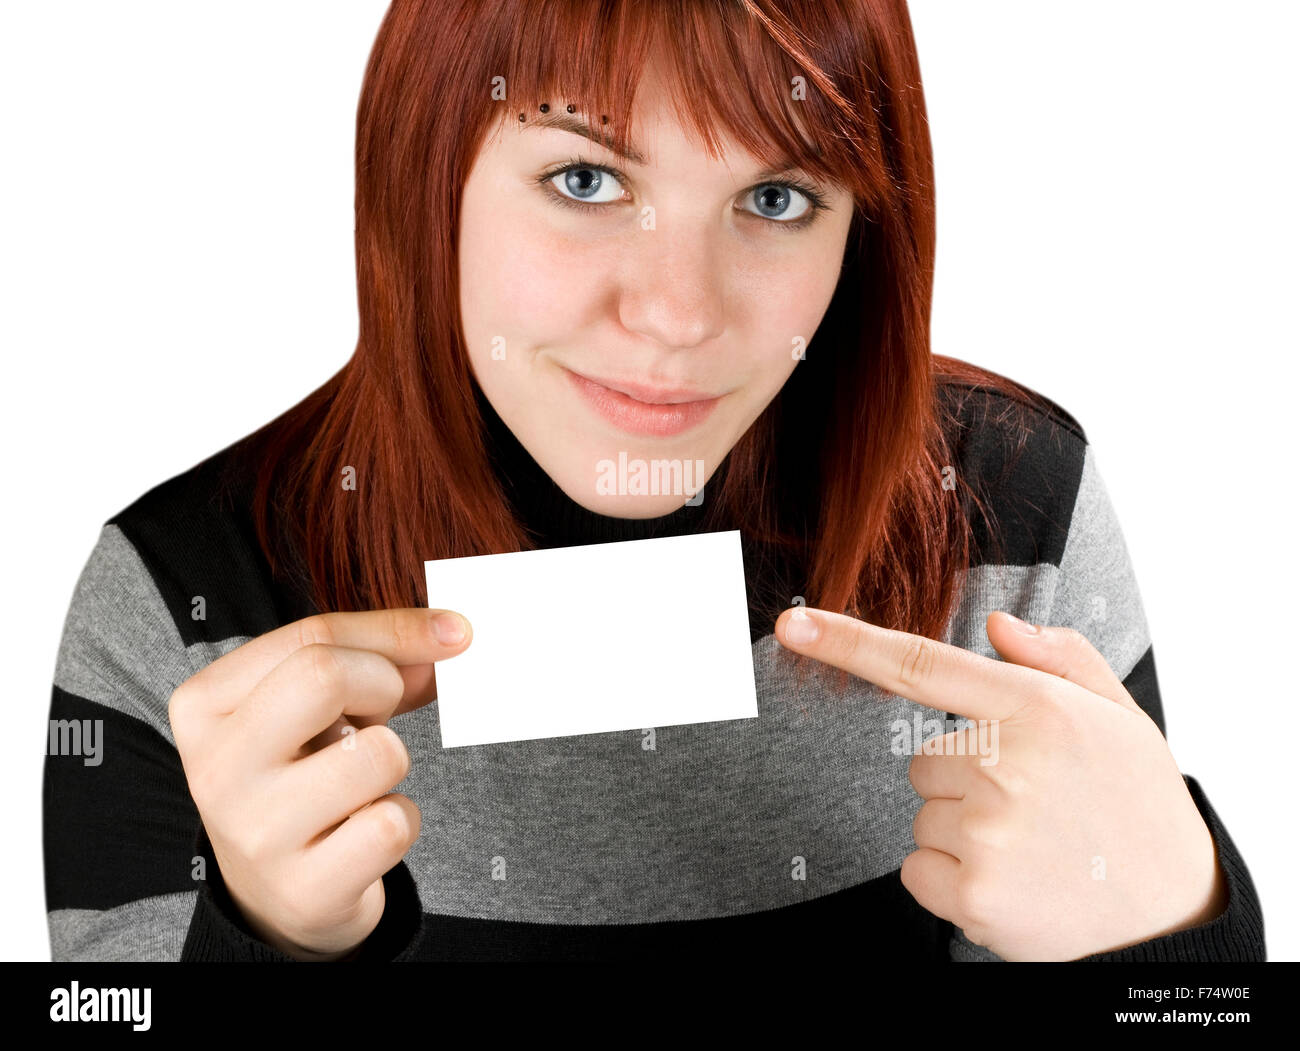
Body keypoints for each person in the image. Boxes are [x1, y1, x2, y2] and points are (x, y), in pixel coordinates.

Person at [43, 0, 1264, 962]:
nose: (678, 314)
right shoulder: (178, 597)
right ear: (425, 182)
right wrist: (264, 944)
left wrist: (1175, 930)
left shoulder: (1013, 511)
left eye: (776, 199)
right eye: (585, 180)